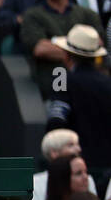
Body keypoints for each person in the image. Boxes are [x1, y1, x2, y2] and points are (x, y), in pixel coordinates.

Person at [21, 0, 101, 99]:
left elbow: (98, 45)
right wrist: (83, 49)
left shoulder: (88, 14)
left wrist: (54, 41)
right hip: (54, 87)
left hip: (90, 88)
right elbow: (40, 49)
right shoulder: (32, 15)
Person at [45, 24, 111, 176]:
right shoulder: (108, 82)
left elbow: (56, 121)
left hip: (76, 169)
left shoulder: (61, 77)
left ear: (67, 55)